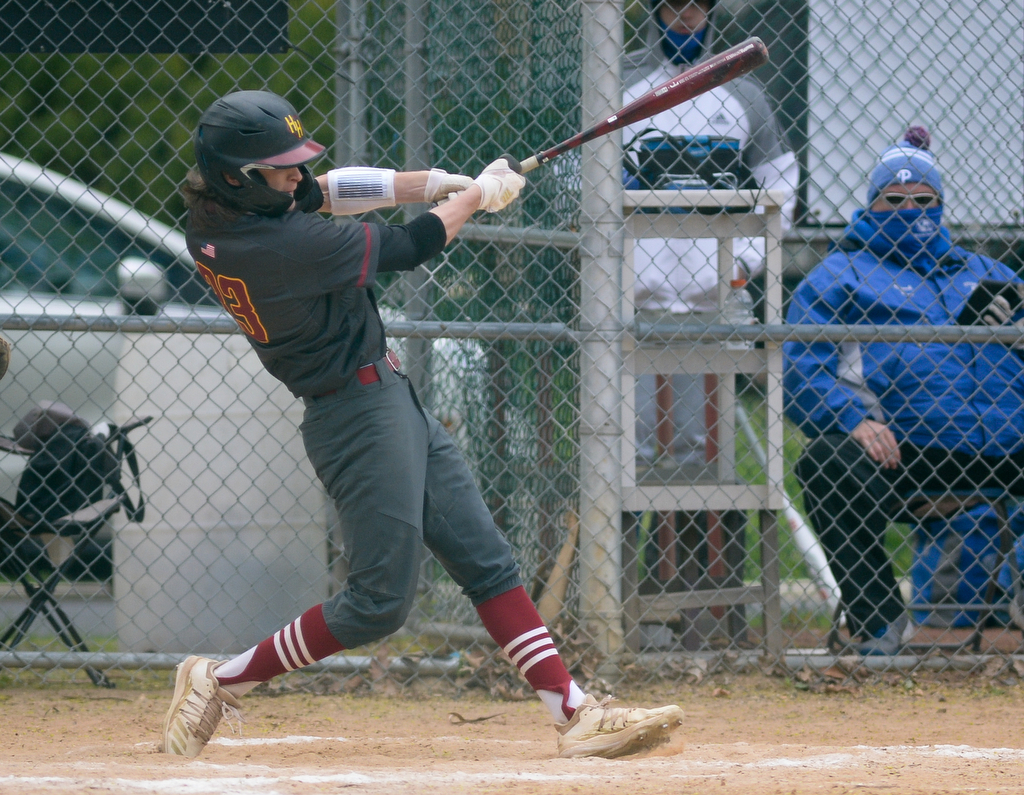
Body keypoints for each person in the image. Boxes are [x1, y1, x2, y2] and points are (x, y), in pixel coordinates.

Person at [161, 90, 684, 759]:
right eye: (278, 167)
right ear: (239, 175)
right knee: (378, 602)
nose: (294, 175)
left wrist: (436, 182)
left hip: (387, 397)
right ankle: (218, 676)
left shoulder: (229, 213)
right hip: (354, 415)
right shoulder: (279, 245)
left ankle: (572, 712)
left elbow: (324, 188)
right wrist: (479, 197)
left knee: (485, 560)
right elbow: (409, 245)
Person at [784, 126, 1024, 655]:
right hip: (907, 453)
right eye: (895, 199)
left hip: (1006, 445)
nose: (911, 209)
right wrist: (851, 419)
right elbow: (800, 371)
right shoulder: (837, 276)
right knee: (826, 462)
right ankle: (879, 622)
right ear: (872, 204)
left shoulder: (983, 272)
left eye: (925, 200)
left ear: (941, 205)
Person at [623, 0, 798, 471]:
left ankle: (698, 545)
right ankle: (614, 544)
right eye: (673, 4)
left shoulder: (742, 91)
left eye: (697, 5)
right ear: (652, 11)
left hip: (711, 301)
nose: (686, 14)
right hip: (629, 299)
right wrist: (610, 262)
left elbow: (781, 183)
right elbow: (577, 181)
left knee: (697, 453)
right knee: (624, 454)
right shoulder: (617, 86)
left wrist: (742, 263)